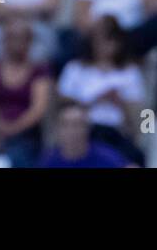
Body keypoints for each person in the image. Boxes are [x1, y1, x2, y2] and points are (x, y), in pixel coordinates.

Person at [57, 15, 147, 165]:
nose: (104, 45)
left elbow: (144, 114)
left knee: (137, 157)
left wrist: (120, 102)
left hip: (115, 131)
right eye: (99, 39)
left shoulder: (131, 73)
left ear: (119, 43)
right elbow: (60, 104)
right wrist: (93, 100)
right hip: (82, 132)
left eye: (110, 39)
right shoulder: (75, 68)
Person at [0, 17, 52, 165]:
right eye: (13, 38)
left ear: (29, 42)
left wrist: (13, 129)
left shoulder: (40, 71)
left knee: (20, 155)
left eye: (22, 38)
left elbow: (38, 108)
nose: (17, 44)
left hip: (27, 136)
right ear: (4, 40)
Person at [38, 100, 129, 168]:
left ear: (88, 128)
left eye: (77, 124)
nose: (72, 130)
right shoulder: (48, 160)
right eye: (65, 124)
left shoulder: (108, 158)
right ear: (57, 128)